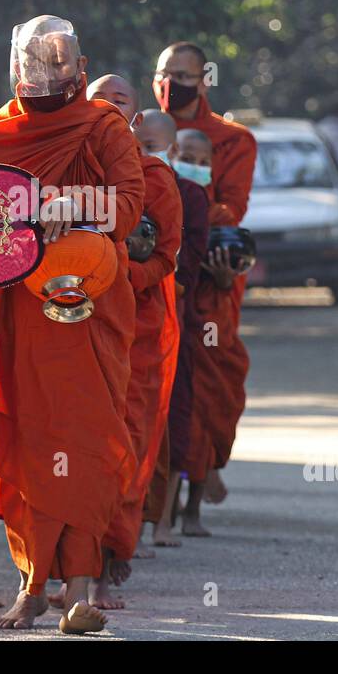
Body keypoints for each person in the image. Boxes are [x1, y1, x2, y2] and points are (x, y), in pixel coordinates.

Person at [0, 16, 143, 634]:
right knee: (27, 445)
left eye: (57, 64)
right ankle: (32, 585)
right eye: (35, 67)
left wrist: (78, 207)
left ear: (81, 66)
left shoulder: (103, 126)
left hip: (85, 308)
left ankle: (82, 589)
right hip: (14, 313)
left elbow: (130, 201)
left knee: (86, 440)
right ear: (15, 71)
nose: (46, 78)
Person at [84, 76, 181, 609]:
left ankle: (107, 565)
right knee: (71, 448)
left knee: (126, 446)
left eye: (118, 101)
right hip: (71, 325)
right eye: (97, 100)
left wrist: (117, 274)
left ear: (136, 119)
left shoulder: (155, 179)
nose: (106, 108)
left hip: (135, 335)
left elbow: (165, 257)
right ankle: (64, 572)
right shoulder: (66, 171)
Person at [155, 42, 256, 533]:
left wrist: (196, 217)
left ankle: (194, 500)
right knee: (163, 385)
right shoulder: (145, 131)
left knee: (214, 379)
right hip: (159, 273)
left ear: (204, 81)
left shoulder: (234, 140)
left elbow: (231, 210)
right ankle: (160, 504)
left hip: (213, 274)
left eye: (185, 75)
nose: (175, 84)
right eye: (166, 74)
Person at [133, 112, 209, 547]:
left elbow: (186, 260)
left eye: (153, 147)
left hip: (169, 313)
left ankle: (163, 518)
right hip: (121, 312)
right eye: (138, 146)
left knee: (171, 414)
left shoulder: (188, 195)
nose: (145, 155)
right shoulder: (118, 185)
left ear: (173, 151)